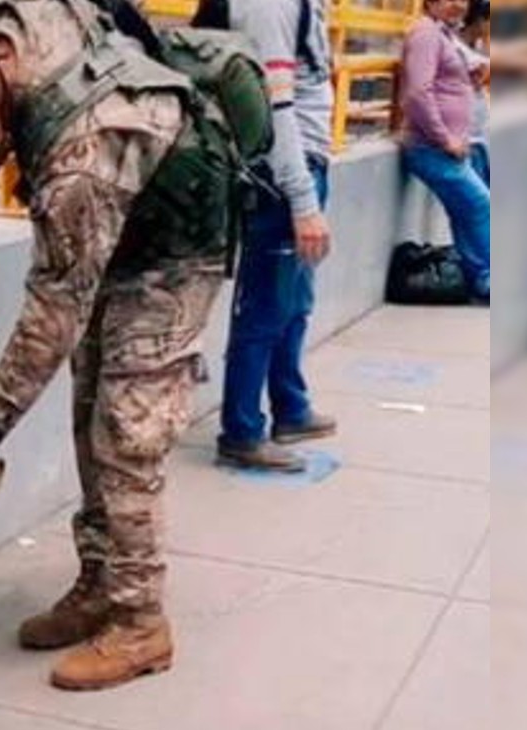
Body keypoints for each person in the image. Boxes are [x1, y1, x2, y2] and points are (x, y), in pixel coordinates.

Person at [0, 0, 237, 690]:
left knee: (127, 428)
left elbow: (51, 315)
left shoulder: (79, 164)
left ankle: (141, 622)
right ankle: (98, 584)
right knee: (89, 402)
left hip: (175, 248)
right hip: (121, 222)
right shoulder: (0, 23)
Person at [195, 0, 338, 472]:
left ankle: (290, 408)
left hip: (305, 165)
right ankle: (241, 431)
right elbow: (277, 109)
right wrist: (302, 199)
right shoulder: (268, 4)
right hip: (279, 178)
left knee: (293, 300)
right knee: (264, 307)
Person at [400, 0, 491, 302]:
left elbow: (442, 76)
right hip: (430, 147)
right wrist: (445, 138)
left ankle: (480, 278)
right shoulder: (425, 34)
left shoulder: (442, 34)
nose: (459, 6)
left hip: (443, 147)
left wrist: (470, 72)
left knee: (465, 211)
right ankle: (487, 277)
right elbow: (417, 93)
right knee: (479, 205)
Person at [460, 0, 491, 186]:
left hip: (482, 137)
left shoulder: (480, 47)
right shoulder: (456, 45)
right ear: (480, 20)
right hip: (469, 139)